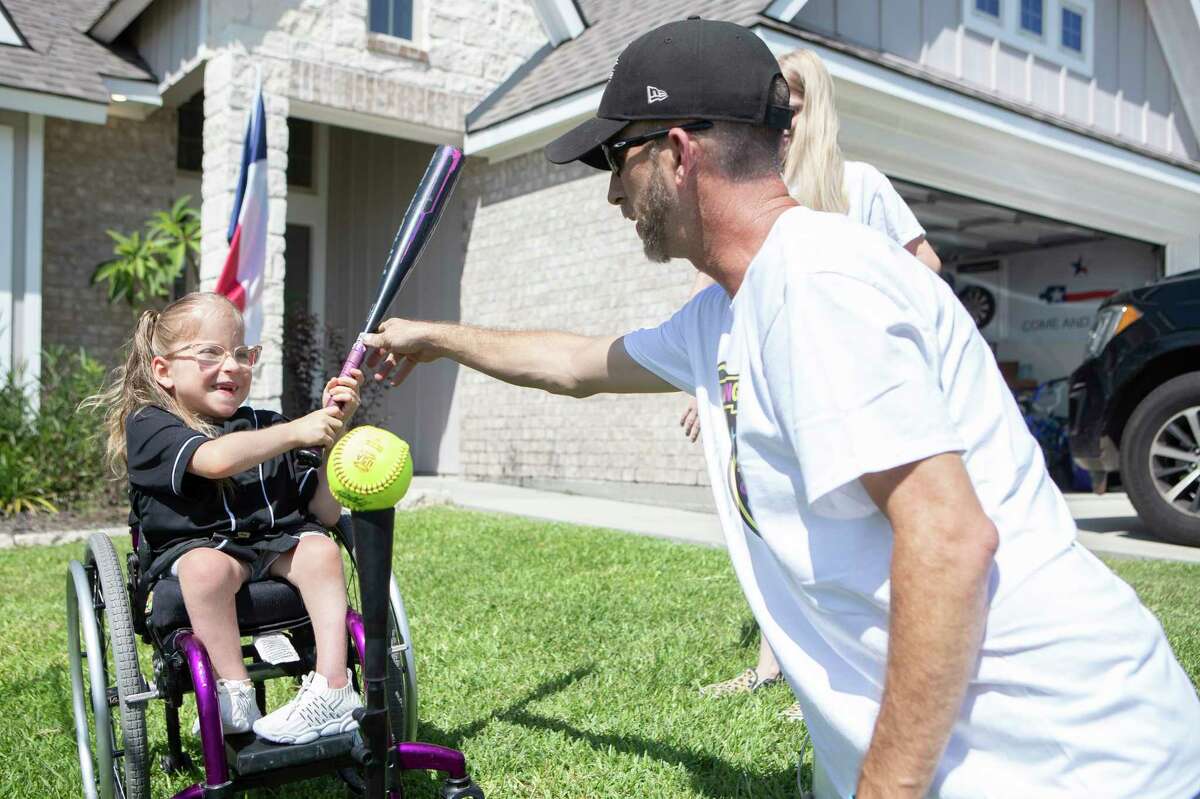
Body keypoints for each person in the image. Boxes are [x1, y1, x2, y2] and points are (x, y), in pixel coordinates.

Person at [362, 18, 1200, 798]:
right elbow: (579, 364)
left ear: (677, 153)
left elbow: (948, 540)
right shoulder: (732, 306)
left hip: (1060, 761)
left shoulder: (819, 283)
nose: (612, 194)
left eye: (616, 160)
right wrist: (436, 337)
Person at [694, 48, 943, 721]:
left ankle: (856, 675)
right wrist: (704, 379)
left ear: (815, 102)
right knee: (775, 524)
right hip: (764, 391)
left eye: (794, 93)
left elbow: (927, 268)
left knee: (853, 536)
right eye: (774, 93)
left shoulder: (860, 185)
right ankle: (777, 663)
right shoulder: (750, 187)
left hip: (847, 394)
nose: (783, 105)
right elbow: (719, 290)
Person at [83, 292, 365, 745]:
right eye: (210, 353)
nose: (232, 365)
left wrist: (334, 435)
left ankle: (334, 687)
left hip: (274, 548)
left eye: (241, 353)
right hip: (199, 553)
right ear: (163, 370)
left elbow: (323, 512)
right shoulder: (152, 425)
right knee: (206, 567)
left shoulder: (266, 424)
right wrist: (295, 432)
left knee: (320, 547)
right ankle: (233, 692)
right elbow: (213, 460)